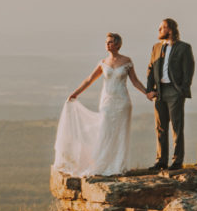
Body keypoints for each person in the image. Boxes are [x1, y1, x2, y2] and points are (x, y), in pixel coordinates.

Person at [54, 32, 151, 176]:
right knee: (105, 131)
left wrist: (147, 93)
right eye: (107, 42)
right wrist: (76, 93)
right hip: (107, 102)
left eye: (111, 42)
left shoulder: (127, 61)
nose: (108, 44)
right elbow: (89, 79)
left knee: (121, 133)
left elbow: (135, 81)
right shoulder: (103, 63)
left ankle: (118, 165)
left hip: (123, 102)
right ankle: (102, 163)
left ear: (118, 44)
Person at [145, 18, 194, 170]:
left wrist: (182, 90)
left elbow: (189, 70)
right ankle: (161, 161)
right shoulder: (156, 47)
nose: (159, 30)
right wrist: (149, 90)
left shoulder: (184, 48)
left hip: (175, 91)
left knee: (177, 128)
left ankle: (177, 161)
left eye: (162, 28)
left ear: (170, 29)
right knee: (160, 128)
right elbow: (151, 69)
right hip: (159, 91)